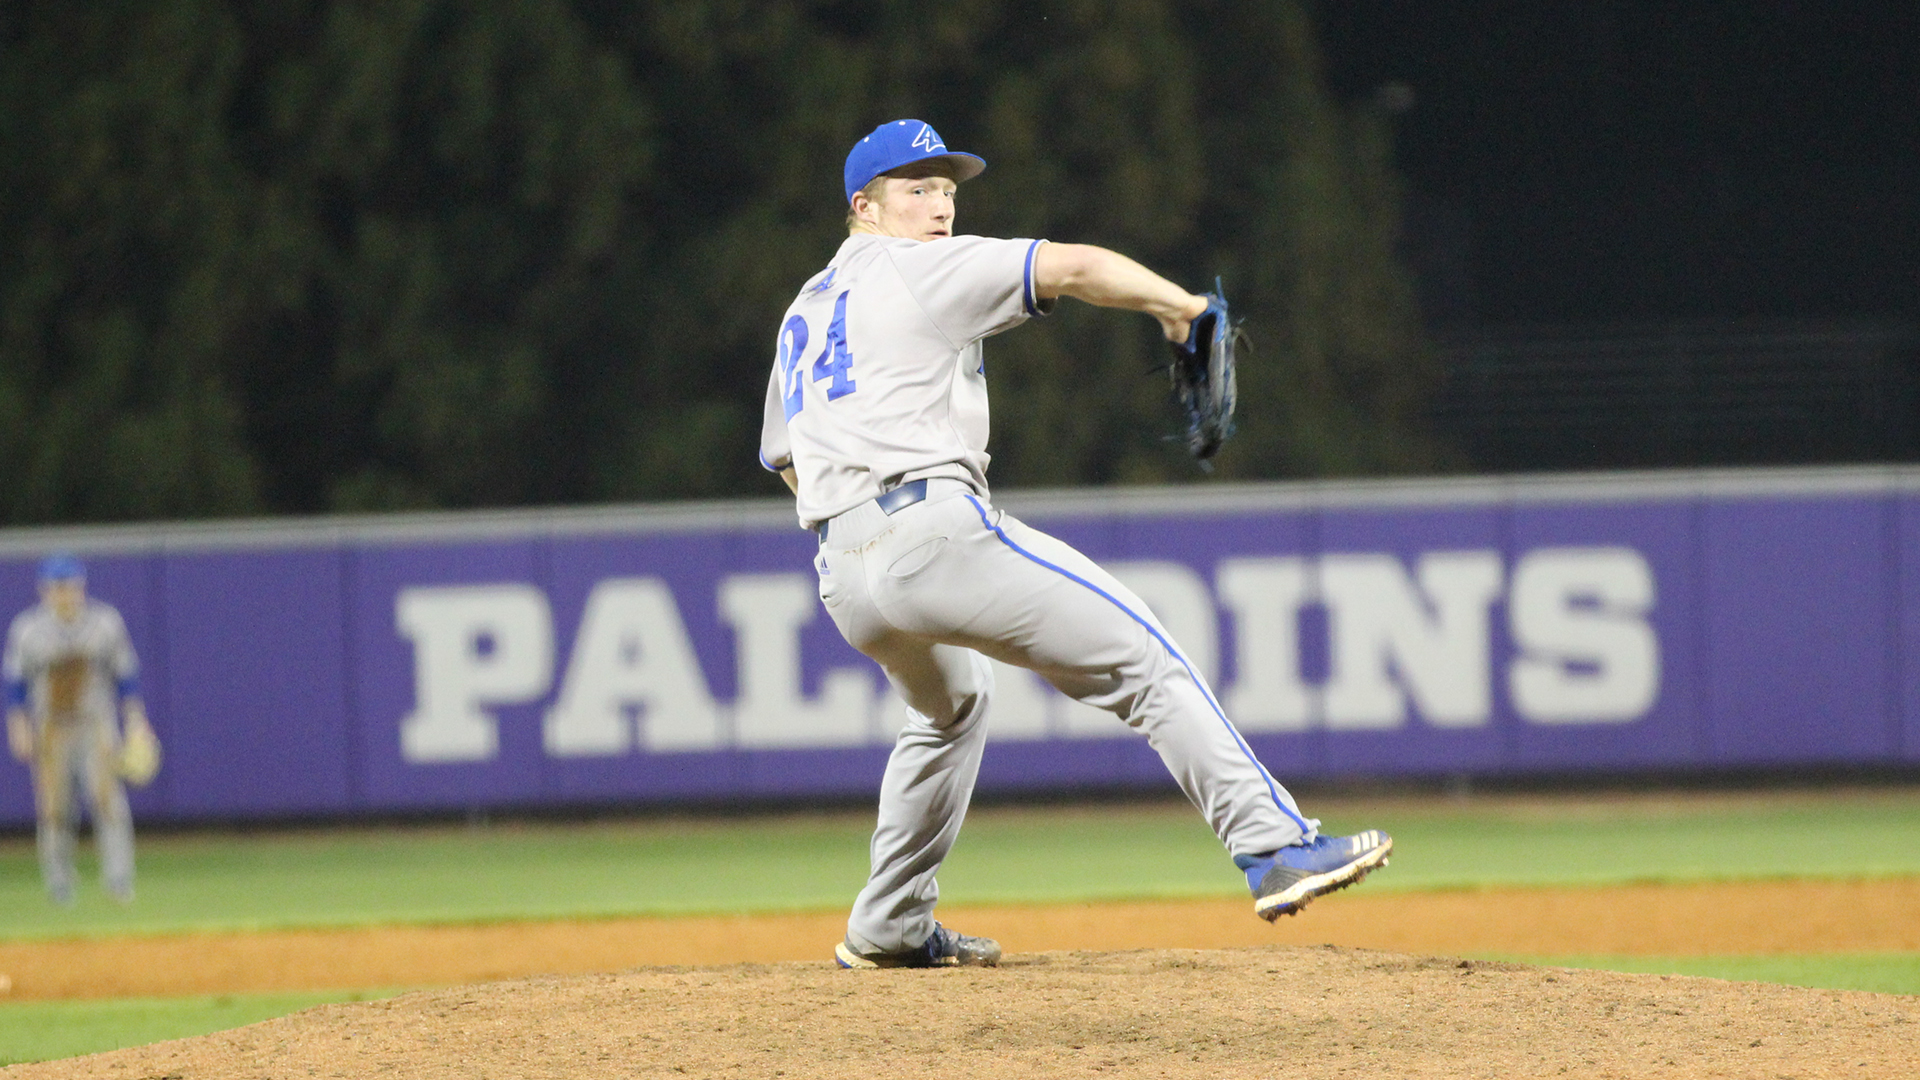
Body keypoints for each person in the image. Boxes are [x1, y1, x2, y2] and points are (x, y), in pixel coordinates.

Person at [760, 119, 1393, 969]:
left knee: (950, 708)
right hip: (931, 533)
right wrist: (1184, 307)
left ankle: (890, 925)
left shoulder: (805, 308)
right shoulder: (917, 267)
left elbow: (785, 458)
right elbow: (1076, 267)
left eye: (948, 189)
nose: (941, 205)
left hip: (845, 571)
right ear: (862, 207)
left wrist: (858, 535)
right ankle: (1275, 845)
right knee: (1145, 656)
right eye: (917, 189)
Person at [4, 554, 150, 906]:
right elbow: (15, 684)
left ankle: (118, 881)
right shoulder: (28, 629)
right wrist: (18, 726)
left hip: (94, 725)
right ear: (44, 590)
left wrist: (135, 721)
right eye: (56, 587)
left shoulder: (104, 622)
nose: (64, 593)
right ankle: (59, 884)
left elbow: (126, 676)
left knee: (108, 803)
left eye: (69, 586)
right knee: (54, 809)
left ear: (81, 586)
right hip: (50, 728)